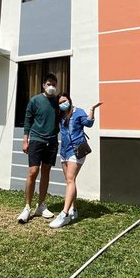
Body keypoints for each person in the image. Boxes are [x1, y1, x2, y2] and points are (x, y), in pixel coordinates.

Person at [49, 93, 102, 229]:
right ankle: (74, 209)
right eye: (60, 102)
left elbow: (88, 123)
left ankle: (65, 214)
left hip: (77, 150)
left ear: (69, 100)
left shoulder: (78, 112)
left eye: (64, 101)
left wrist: (91, 111)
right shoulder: (61, 114)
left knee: (70, 180)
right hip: (64, 151)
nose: (63, 104)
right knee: (70, 181)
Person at [18, 73, 59, 223]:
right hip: (36, 140)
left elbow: (66, 114)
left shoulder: (58, 101)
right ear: (43, 85)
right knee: (33, 171)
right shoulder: (35, 100)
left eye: (54, 84)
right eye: (49, 84)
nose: (52, 87)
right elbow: (27, 120)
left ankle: (41, 205)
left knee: (46, 171)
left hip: (52, 141)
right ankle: (27, 207)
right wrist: (25, 140)